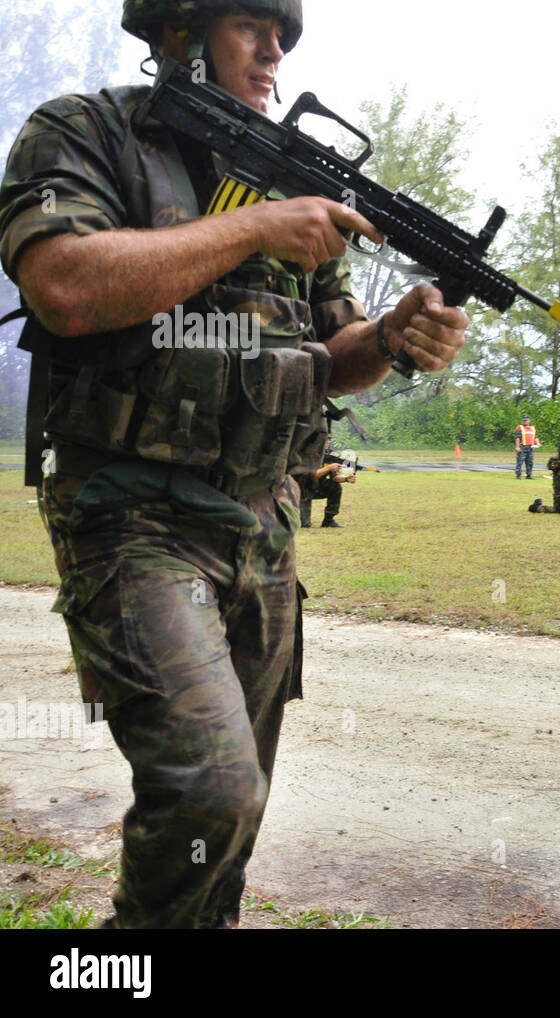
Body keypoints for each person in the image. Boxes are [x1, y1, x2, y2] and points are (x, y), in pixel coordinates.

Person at [0, 0, 468, 928]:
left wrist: (393, 333)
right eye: (251, 26)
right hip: (129, 512)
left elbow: (337, 358)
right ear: (181, 31)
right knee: (208, 787)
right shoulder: (86, 129)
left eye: (284, 37)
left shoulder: (283, 180)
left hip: (262, 523)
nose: (273, 53)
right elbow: (64, 284)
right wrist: (255, 227)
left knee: (237, 808)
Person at [298, 434, 355, 528]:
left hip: (318, 487)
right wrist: (328, 468)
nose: (328, 442)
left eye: (329, 439)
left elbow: (334, 477)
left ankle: (328, 520)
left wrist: (346, 479)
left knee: (335, 486)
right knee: (304, 525)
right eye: (326, 440)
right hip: (302, 490)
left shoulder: (328, 456)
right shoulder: (307, 455)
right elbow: (310, 476)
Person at [514, 413, 539, 479]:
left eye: (526, 420)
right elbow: (517, 438)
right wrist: (517, 447)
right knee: (520, 461)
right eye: (524, 420)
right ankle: (518, 475)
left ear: (529, 420)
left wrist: (538, 443)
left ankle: (529, 475)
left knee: (530, 462)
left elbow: (535, 437)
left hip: (530, 447)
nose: (525, 421)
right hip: (522, 447)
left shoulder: (532, 428)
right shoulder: (520, 428)